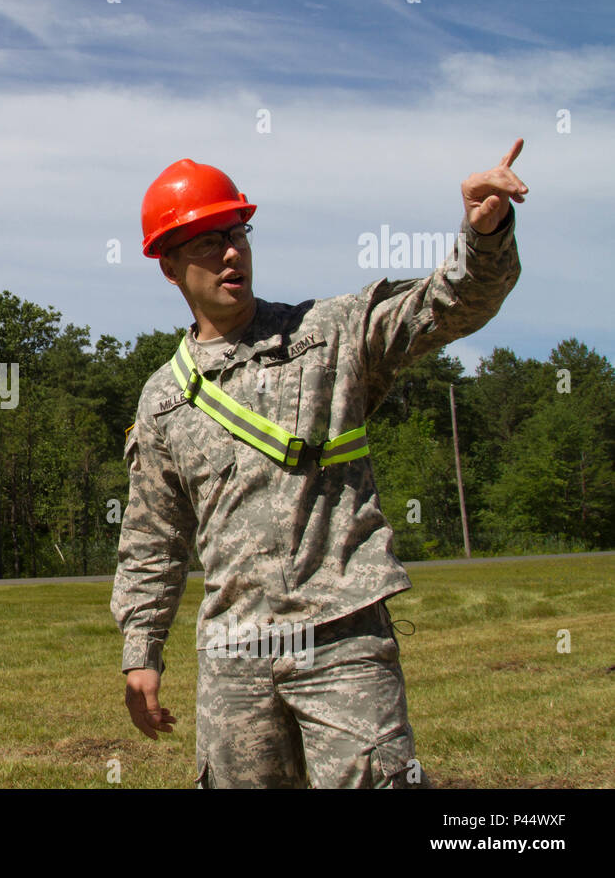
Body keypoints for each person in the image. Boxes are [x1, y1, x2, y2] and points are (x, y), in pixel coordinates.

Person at [112, 140, 527, 788]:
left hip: (342, 635)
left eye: (237, 233)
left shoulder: (328, 334)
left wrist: (486, 234)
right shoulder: (164, 399)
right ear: (168, 267)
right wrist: (142, 650)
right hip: (235, 653)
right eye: (205, 242)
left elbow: (447, 305)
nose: (230, 252)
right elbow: (152, 539)